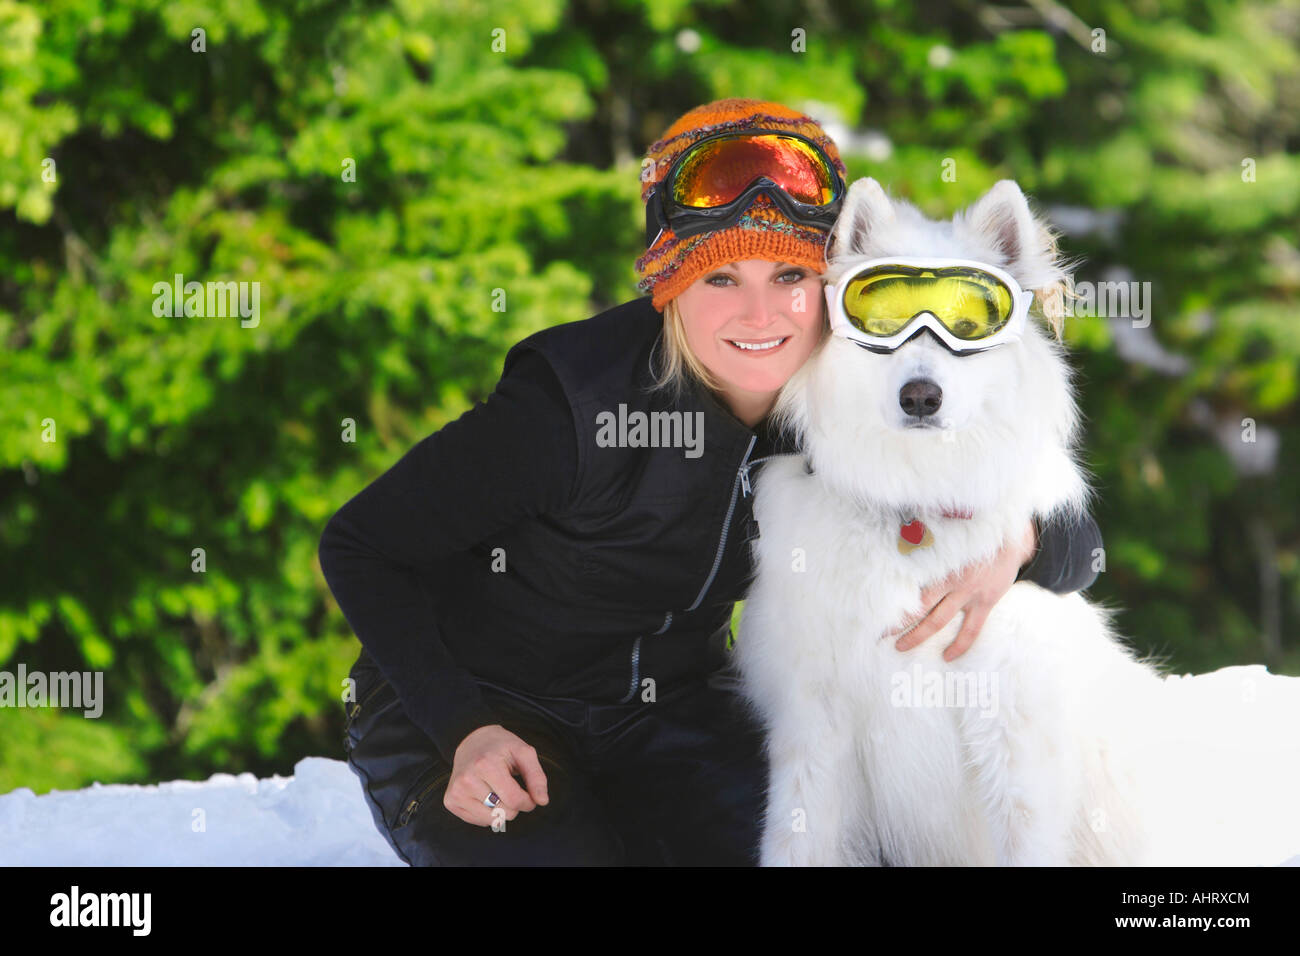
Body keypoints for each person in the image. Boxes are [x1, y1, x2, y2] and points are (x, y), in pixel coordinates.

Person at [318, 98, 1104, 867]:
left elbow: (1072, 540)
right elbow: (360, 544)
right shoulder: (574, 405)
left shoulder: (835, 404)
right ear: (670, 288)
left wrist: (1020, 541)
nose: (761, 315)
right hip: (477, 716)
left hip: (667, 722)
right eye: (720, 278)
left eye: (789, 275)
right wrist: (462, 726)